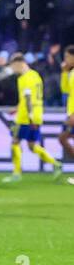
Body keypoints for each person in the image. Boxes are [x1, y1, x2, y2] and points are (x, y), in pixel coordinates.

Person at [4, 53, 60, 181]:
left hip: (27, 116)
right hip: (35, 114)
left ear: (19, 64)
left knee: (15, 142)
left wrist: (29, 116)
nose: (13, 70)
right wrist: (17, 108)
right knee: (32, 146)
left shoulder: (26, 78)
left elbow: (29, 98)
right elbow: (26, 98)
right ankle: (56, 164)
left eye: (13, 67)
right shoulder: (34, 75)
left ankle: (16, 173)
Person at [59, 45, 74, 178]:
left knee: (63, 138)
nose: (65, 60)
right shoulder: (71, 73)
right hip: (71, 112)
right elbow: (65, 90)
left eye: (67, 57)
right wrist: (64, 72)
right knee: (63, 138)